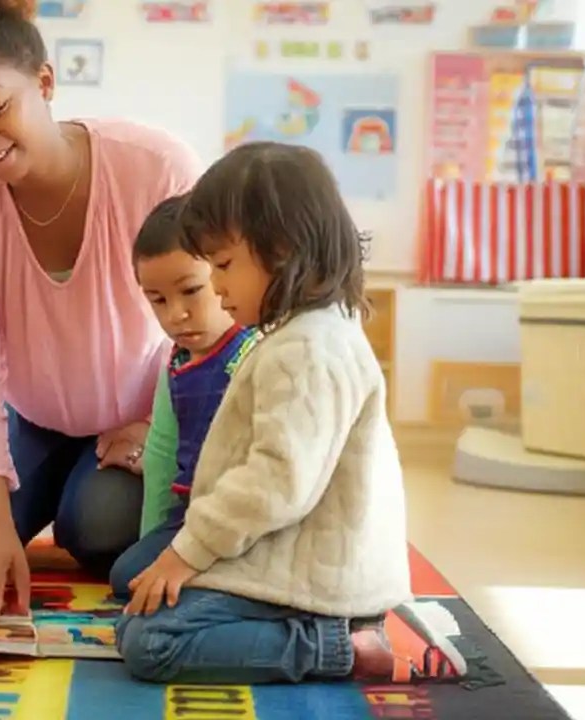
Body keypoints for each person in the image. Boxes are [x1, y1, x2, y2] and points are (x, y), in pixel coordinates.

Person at [115, 142, 467, 685]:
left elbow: (276, 481)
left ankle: (340, 645)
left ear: (281, 249)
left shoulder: (306, 349)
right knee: (139, 613)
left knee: (151, 641)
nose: (219, 284)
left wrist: (188, 553)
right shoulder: (315, 331)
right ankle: (349, 632)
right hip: (308, 566)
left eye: (225, 265)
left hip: (318, 586)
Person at [0, 0, 204, 620]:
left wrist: (160, 432)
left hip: (136, 417)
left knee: (99, 530)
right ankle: (31, 494)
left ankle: (77, 495)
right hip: (31, 415)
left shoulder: (155, 166)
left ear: (44, 83)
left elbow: (213, 323)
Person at [107, 195, 260, 601]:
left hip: (249, 524)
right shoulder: (175, 363)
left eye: (191, 291)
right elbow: (160, 455)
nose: (175, 314)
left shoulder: (256, 353)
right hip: (189, 519)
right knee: (129, 576)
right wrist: (154, 545)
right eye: (157, 300)